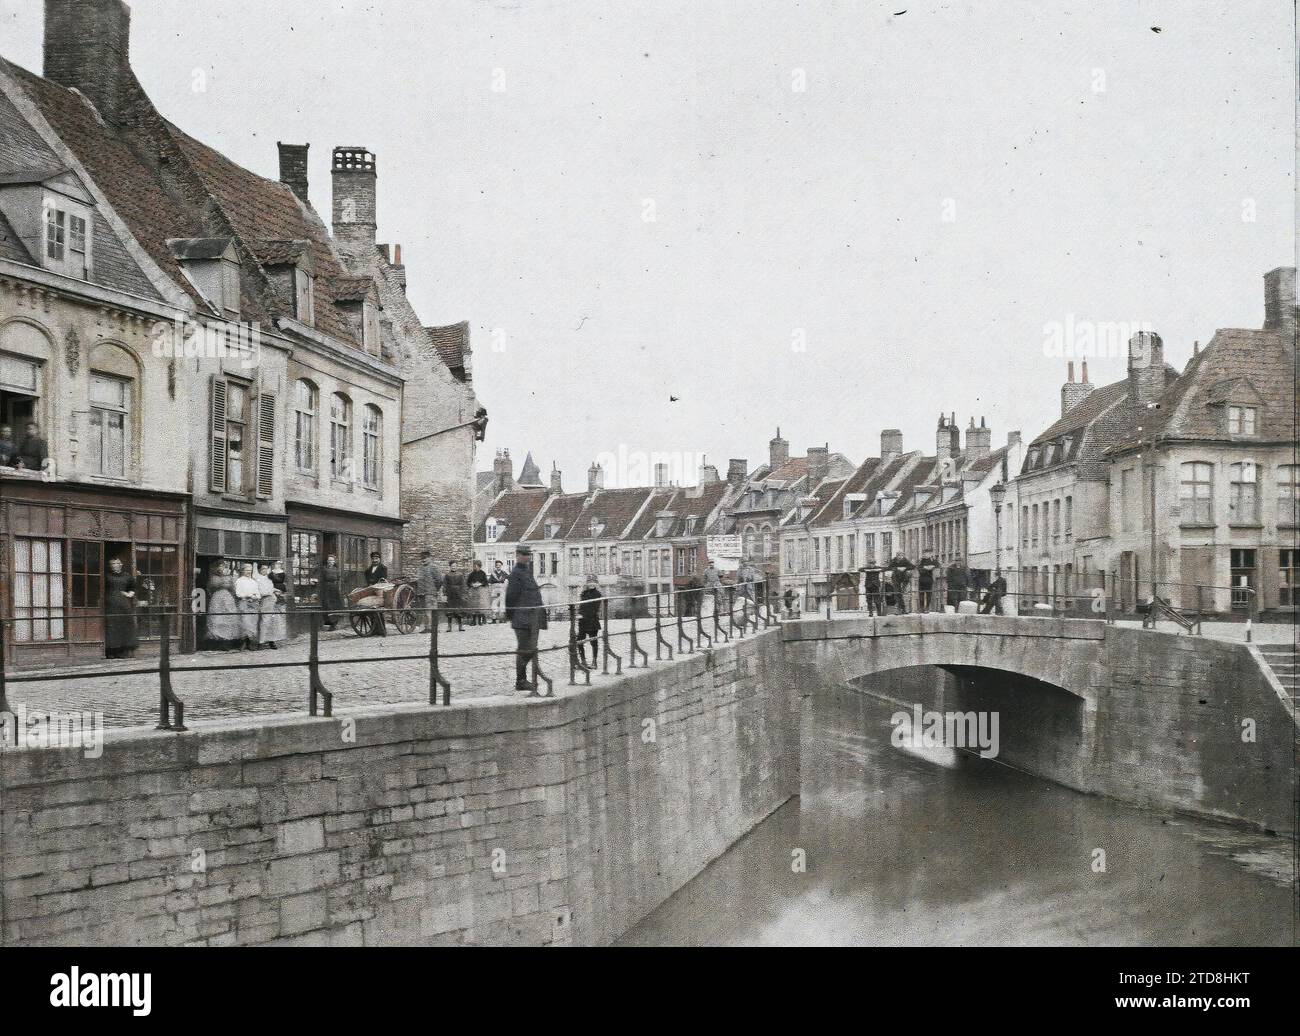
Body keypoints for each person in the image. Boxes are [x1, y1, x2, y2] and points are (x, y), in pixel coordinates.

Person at [506, 545, 547, 692]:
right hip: (521, 618)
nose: (527, 557)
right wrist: (511, 616)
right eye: (524, 554)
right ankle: (520, 680)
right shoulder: (516, 573)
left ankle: (522, 679)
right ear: (517, 555)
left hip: (532, 617)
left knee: (530, 648)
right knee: (525, 649)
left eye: (528, 554)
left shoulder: (527, 571)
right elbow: (511, 596)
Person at [104, 556, 138, 659]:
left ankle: (123, 652)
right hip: (111, 605)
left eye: (116, 563)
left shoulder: (127, 576)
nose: (114, 566)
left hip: (124, 605)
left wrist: (129, 594)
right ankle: (111, 652)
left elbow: (133, 588)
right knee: (112, 628)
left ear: (120, 564)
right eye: (112, 564)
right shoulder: (106, 576)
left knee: (124, 627)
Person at [205, 562, 241, 649]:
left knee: (228, 618)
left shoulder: (229, 577)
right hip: (217, 598)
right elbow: (209, 588)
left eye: (223, 566)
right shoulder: (213, 577)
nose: (221, 568)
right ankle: (217, 641)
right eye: (220, 566)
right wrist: (213, 594)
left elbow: (233, 589)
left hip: (227, 598)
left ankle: (227, 641)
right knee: (216, 619)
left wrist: (232, 597)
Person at [257, 562, 288, 649]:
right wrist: (272, 591)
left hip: (273, 601)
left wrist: (276, 590)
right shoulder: (258, 579)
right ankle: (261, 642)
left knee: (273, 621)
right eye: (263, 569)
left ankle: (271, 641)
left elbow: (271, 587)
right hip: (265, 601)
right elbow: (261, 592)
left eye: (266, 569)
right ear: (259, 570)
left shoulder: (268, 579)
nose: (265, 571)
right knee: (265, 621)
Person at [234, 563, 262, 650]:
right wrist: (249, 595)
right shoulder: (239, 581)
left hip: (253, 604)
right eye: (247, 570)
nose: (248, 572)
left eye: (250, 570)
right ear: (242, 571)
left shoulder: (254, 582)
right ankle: (243, 642)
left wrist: (255, 597)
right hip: (244, 603)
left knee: (253, 624)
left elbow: (258, 594)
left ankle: (252, 643)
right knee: (245, 623)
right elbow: (238, 593)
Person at [577, 577, 602, 667]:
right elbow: (581, 606)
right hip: (583, 621)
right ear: (587, 583)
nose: (591, 584)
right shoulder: (584, 593)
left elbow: (594, 608)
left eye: (593, 582)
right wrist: (579, 614)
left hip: (592, 620)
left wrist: (582, 614)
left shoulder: (597, 594)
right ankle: (583, 661)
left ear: (596, 584)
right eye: (589, 582)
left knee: (593, 642)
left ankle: (594, 661)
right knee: (579, 641)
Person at [415, 551, 443, 633]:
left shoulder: (433, 567)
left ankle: (433, 628)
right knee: (425, 611)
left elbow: (440, 580)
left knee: (431, 610)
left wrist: (435, 589)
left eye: (425, 558)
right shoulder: (420, 568)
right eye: (422, 558)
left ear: (430, 558)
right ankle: (427, 627)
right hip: (421, 593)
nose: (423, 560)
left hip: (430, 593)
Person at [319, 555, 343, 630]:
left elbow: (339, 578)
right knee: (327, 604)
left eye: (332, 560)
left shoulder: (336, 569)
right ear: (327, 561)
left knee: (335, 605)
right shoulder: (324, 569)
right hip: (326, 587)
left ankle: (334, 623)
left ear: (334, 561)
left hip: (334, 588)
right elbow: (321, 578)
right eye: (329, 560)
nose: (330, 562)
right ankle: (328, 622)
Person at [443, 561, 467, 631]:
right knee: (449, 610)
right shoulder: (447, 575)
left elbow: (463, 585)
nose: (453, 567)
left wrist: (463, 594)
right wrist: (444, 593)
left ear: (457, 566)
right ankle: (449, 626)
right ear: (450, 567)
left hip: (458, 594)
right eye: (452, 566)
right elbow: (444, 585)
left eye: (455, 566)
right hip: (450, 594)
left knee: (459, 610)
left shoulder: (460, 574)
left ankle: (460, 626)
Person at [466, 560, 490, 625]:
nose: (475, 567)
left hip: (481, 592)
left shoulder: (483, 573)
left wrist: (480, 584)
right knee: (474, 606)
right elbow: (468, 582)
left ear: (479, 566)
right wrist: (472, 584)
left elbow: (486, 582)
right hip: (473, 592)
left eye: (476, 566)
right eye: (474, 566)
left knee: (480, 606)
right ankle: (473, 621)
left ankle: (480, 621)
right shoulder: (471, 574)